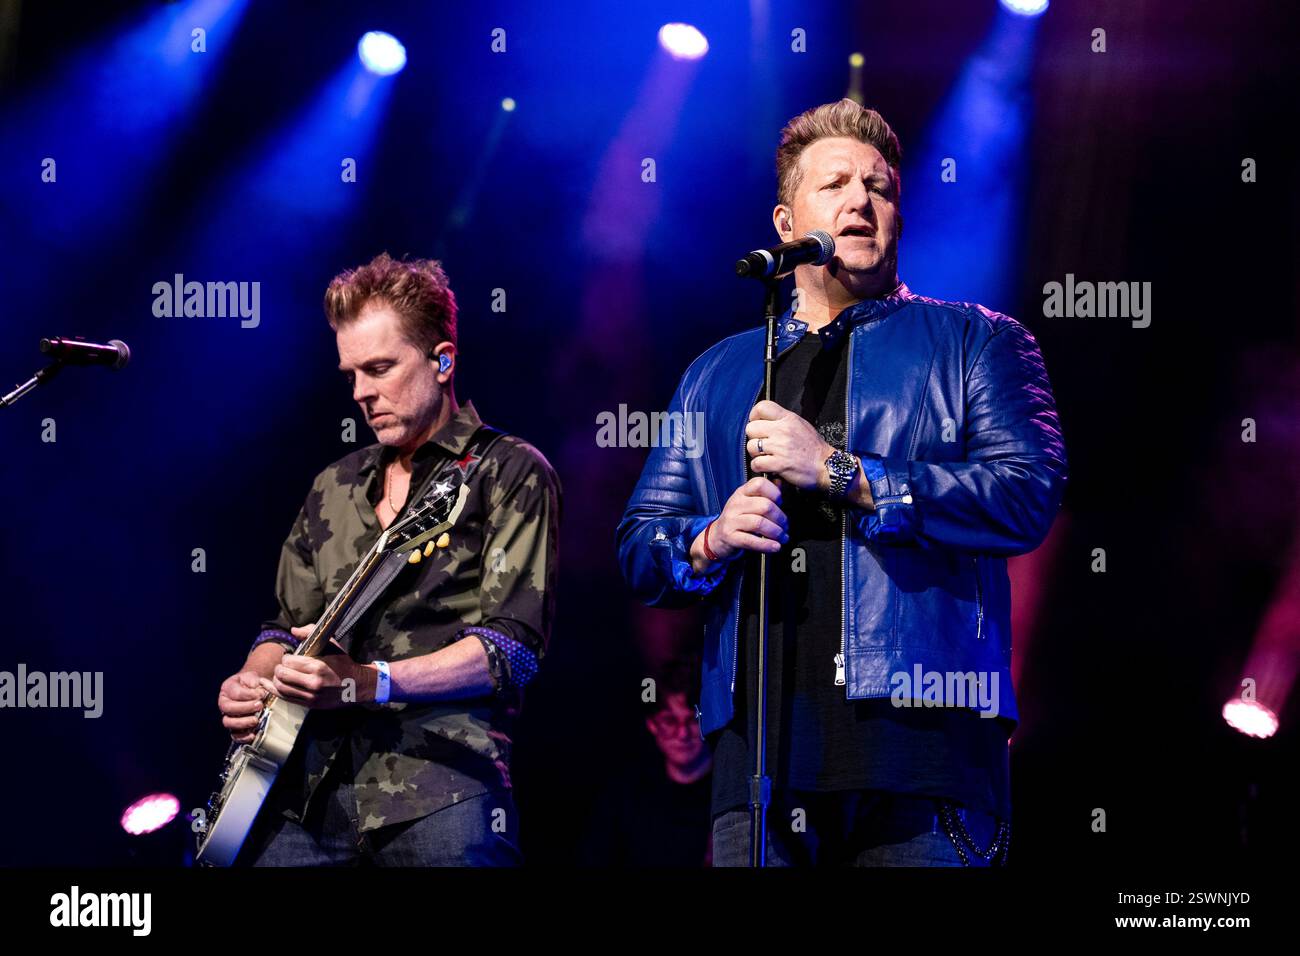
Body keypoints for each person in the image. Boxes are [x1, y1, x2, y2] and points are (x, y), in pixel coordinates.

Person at [617, 99, 1067, 866]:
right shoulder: (717, 372)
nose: (863, 200)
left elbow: (1026, 495)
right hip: (758, 762)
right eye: (837, 185)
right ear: (788, 223)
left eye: (881, 187)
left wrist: (840, 472)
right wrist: (713, 537)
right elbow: (639, 546)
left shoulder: (977, 341)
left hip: (924, 755)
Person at [216, 252, 561, 866]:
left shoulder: (509, 472)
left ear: (442, 360)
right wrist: (253, 679)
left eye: (380, 368)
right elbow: (282, 626)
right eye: (351, 374)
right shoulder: (333, 485)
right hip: (302, 797)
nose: (362, 393)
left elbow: (511, 650)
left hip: (439, 791)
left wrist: (367, 685)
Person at [579, 660, 713, 867]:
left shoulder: (730, 794)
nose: (682, 733)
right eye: (669, 721)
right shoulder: (624, 794)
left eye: (693, 720)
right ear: (652, 724)